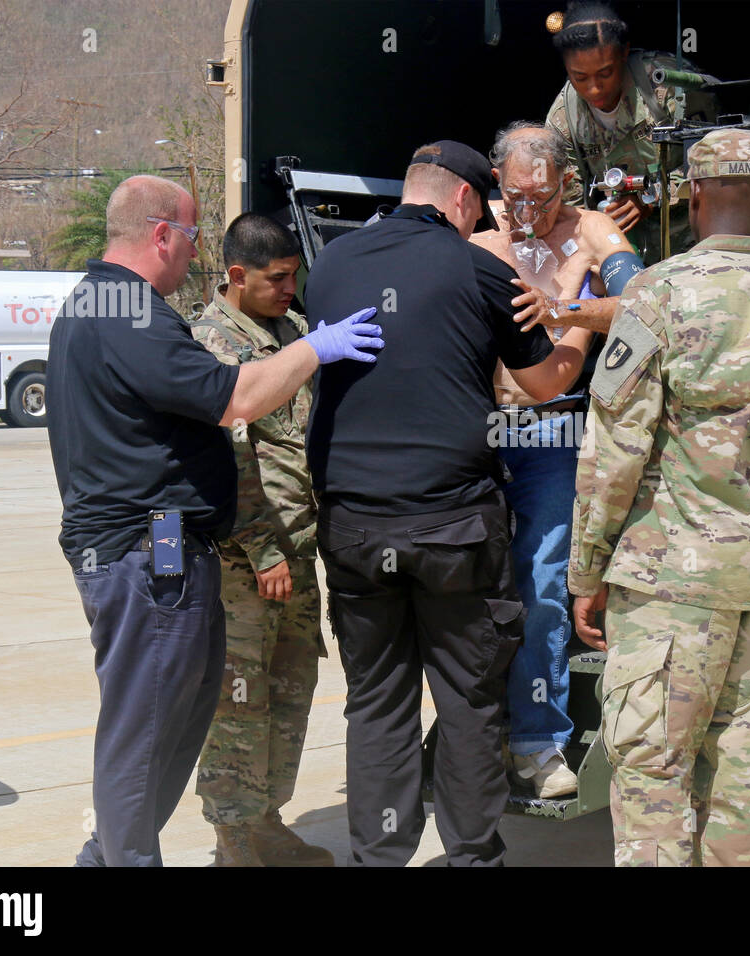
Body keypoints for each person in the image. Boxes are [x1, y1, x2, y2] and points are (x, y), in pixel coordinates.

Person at [46, 174, 384, 867]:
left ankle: (107, 855)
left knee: (176, 715)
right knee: (145, 726)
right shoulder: (127, 310)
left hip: (165, 543)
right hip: (150, 547)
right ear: (163, 234)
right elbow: (230, 398)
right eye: (194, 237)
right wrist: (315, 350)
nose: (195, 255)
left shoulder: (108, 305)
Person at [305, 140, 596, 865]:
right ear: (466, 200)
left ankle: (379, 856)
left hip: (353, 526)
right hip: (453, 530)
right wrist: (582, 312)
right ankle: (472, 857)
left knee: (377, 703)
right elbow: (548, 384)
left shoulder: (331, 265)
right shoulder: (480, 269)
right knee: (467, 703)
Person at [568, 129, 750, 866]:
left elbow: (615, 456)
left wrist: (585, 574)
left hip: (667, 587)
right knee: (745, 782)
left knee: (654, 775)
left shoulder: (657, 295)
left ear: (692, 197)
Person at [469, 121, 643, 798]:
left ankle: (539, 745)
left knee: (542, 584)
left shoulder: (593, 232)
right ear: (497, 185)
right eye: (515, 196)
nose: (528, 211)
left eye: (541, 198)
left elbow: (642, 301)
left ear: (565, 183)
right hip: (483, 430)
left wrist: (569, 298)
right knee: (475, 589)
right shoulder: (482, 237)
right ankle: (474, 738)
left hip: (552, 433)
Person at [189, 213, 334, 867]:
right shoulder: (209, 344)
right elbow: (225, 461)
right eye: (277, 279)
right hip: (245, 563)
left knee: (290, 693)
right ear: (238, 276)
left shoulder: (295, 333)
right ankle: (233, 839)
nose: (288, 289)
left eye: (294, 277)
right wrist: (264, 549)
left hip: (299, 551)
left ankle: (268, 819)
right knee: (239, 701)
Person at [544, 0, 715, 266]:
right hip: (622, 254)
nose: (594, 89)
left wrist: (653, 196)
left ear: (624, 52)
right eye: (580, 77)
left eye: (605, 73)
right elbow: (570, 207)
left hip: (693, 244)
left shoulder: (669, 87)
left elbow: (714, 160)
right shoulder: (564, 118)